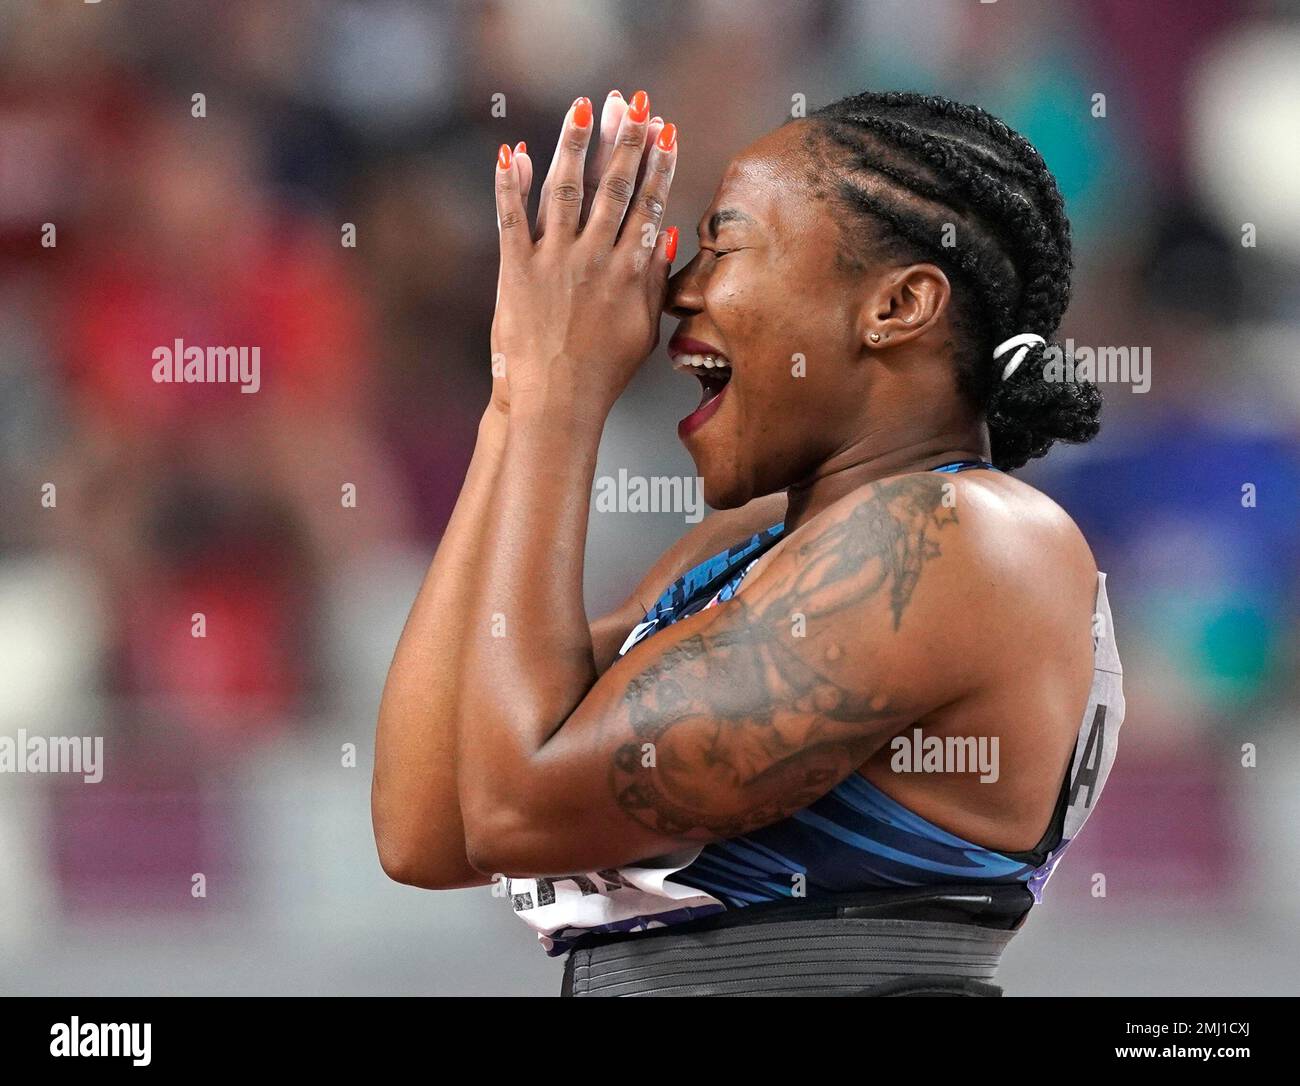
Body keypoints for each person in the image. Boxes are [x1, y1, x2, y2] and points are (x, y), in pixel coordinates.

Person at [372, 89, 1125, 997]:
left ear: (898, 303)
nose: (680, 289)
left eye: (724, 246)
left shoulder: (963, 536)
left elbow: (513, 810)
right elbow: (429, 826)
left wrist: (557, 401)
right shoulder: (740, 549)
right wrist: (514, 395)